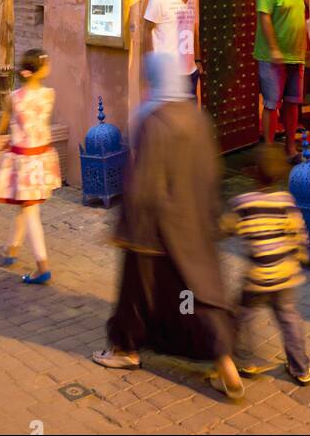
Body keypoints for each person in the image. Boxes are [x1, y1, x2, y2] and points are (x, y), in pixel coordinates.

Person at [92, 50, 243, 400]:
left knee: (135, 293)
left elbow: (143, 183)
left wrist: (126, 225)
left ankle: (125, 350)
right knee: (194, 296)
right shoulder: (198, 119)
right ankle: (224, 363)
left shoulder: (153, 121)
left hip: (154, 232)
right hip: (193, 229)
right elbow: (210, 175)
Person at [226, 143, 310, 385]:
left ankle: (246, 362)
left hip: (258, 277)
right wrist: (300, 256)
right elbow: (298, 232)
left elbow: (229, 227)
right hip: (286, 274)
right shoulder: (286, 201)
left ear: (254, 173)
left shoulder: (243, 203)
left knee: (242, 316)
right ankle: (300, 368)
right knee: (289, 319)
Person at [0, 49, 61, 284]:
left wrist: (6, 118)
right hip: (41, 159)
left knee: (29, 210)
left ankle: (42, 265)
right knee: (26, 206)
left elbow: (1, 127)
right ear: (39, 70)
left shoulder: (14, 97)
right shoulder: (49, 94)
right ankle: (11, 249)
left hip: (22, 162)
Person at [254, 0, 309, 159]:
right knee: (271, 104)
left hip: (296, 56)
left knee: (293, 102)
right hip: (273, 58)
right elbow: (265, 18)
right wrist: (274, 48)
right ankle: (268, 152)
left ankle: (290, 147)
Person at [142, 0, 203, 98]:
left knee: (189, 118)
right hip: (169, 75)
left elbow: (193, 31)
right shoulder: (159, 0)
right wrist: (152, 68)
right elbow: (146, 32)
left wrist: (198, 61)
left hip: (190, 73)